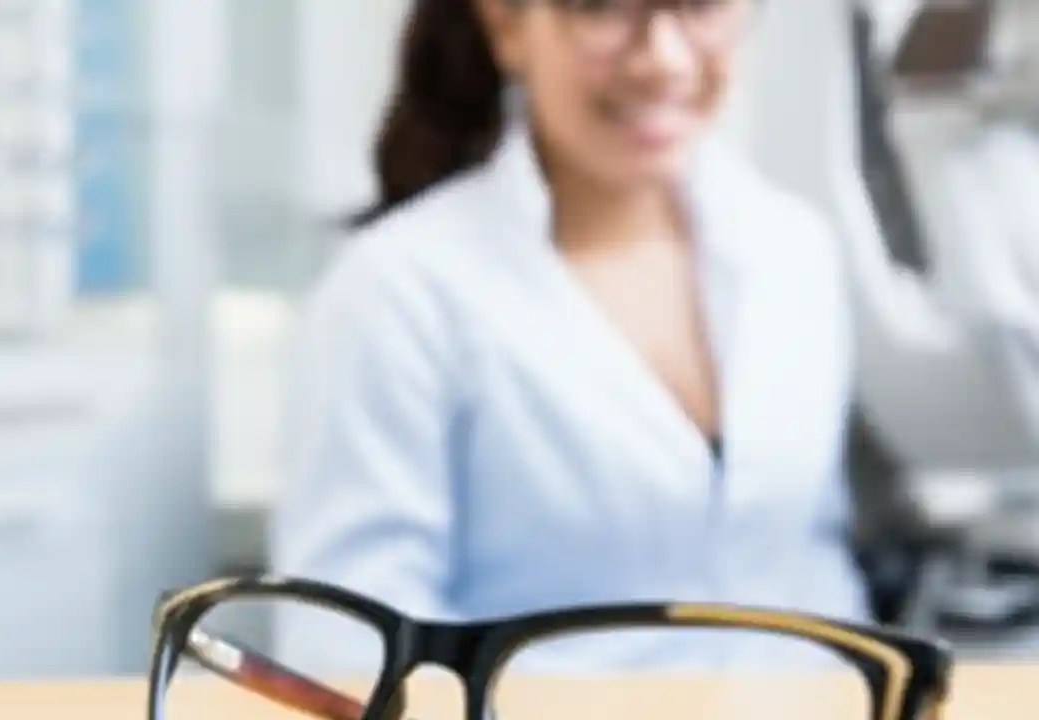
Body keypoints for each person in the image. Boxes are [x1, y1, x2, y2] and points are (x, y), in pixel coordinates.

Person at [269, 0, 1039, 669]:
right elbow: (342, 647)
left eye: (700, 4)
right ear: (506, 23)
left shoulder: (792, 252)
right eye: (601, 6)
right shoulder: (397, 290)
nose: (662, 58)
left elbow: (808, 563)